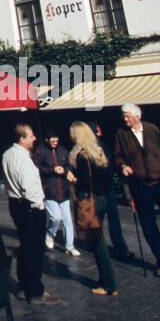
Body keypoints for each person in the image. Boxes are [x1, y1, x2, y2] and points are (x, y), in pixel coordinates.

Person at [2, 122, 60, 305]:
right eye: (31, 136)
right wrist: (39, 206)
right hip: (30, 207)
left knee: (26, 247)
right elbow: (28, 187)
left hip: (16, 204)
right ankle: (35, 291)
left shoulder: (7, 154)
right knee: (34, 249)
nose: (34, 138)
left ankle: (23, 286)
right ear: (22, 139)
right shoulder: (22, 158)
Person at [114, 104, 160, 277]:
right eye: (123, 116)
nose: (125, 119)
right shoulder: (122, 134)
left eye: (127, 116)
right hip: (140, 186)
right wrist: (123, 166)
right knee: (149, 226)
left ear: (137, 116)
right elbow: (117, 157)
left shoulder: (152, 129)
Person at [68, 121, 118, 296]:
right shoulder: (98, 151)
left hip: (90, 201)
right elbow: (106, 177)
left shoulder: (82, 156)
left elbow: (84, 182)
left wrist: (72, 179)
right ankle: (105, 280)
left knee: (98, 243)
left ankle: (109, 284)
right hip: (102, 198)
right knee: (97, 239)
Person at [33, 131, 80, 256]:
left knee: (68, 219)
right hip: (49, 190)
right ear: (47, 140)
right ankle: (49, 233)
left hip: (63, 190)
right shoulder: (40, 151)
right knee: (56, 217)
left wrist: (66, 171)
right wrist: (52, 170)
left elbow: (69, 165)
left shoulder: (62, 151)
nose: (55, 143)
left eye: (57, 141)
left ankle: (69, 246)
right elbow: (37, 168)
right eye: (53, 141)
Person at [94, 123, 133, 261]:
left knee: (114, 218)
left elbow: (111, 163)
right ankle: (98, 247)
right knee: (97, 220)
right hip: (96, 189)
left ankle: (120, 247)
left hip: (108, 187)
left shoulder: (104, 146)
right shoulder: (87, 150)